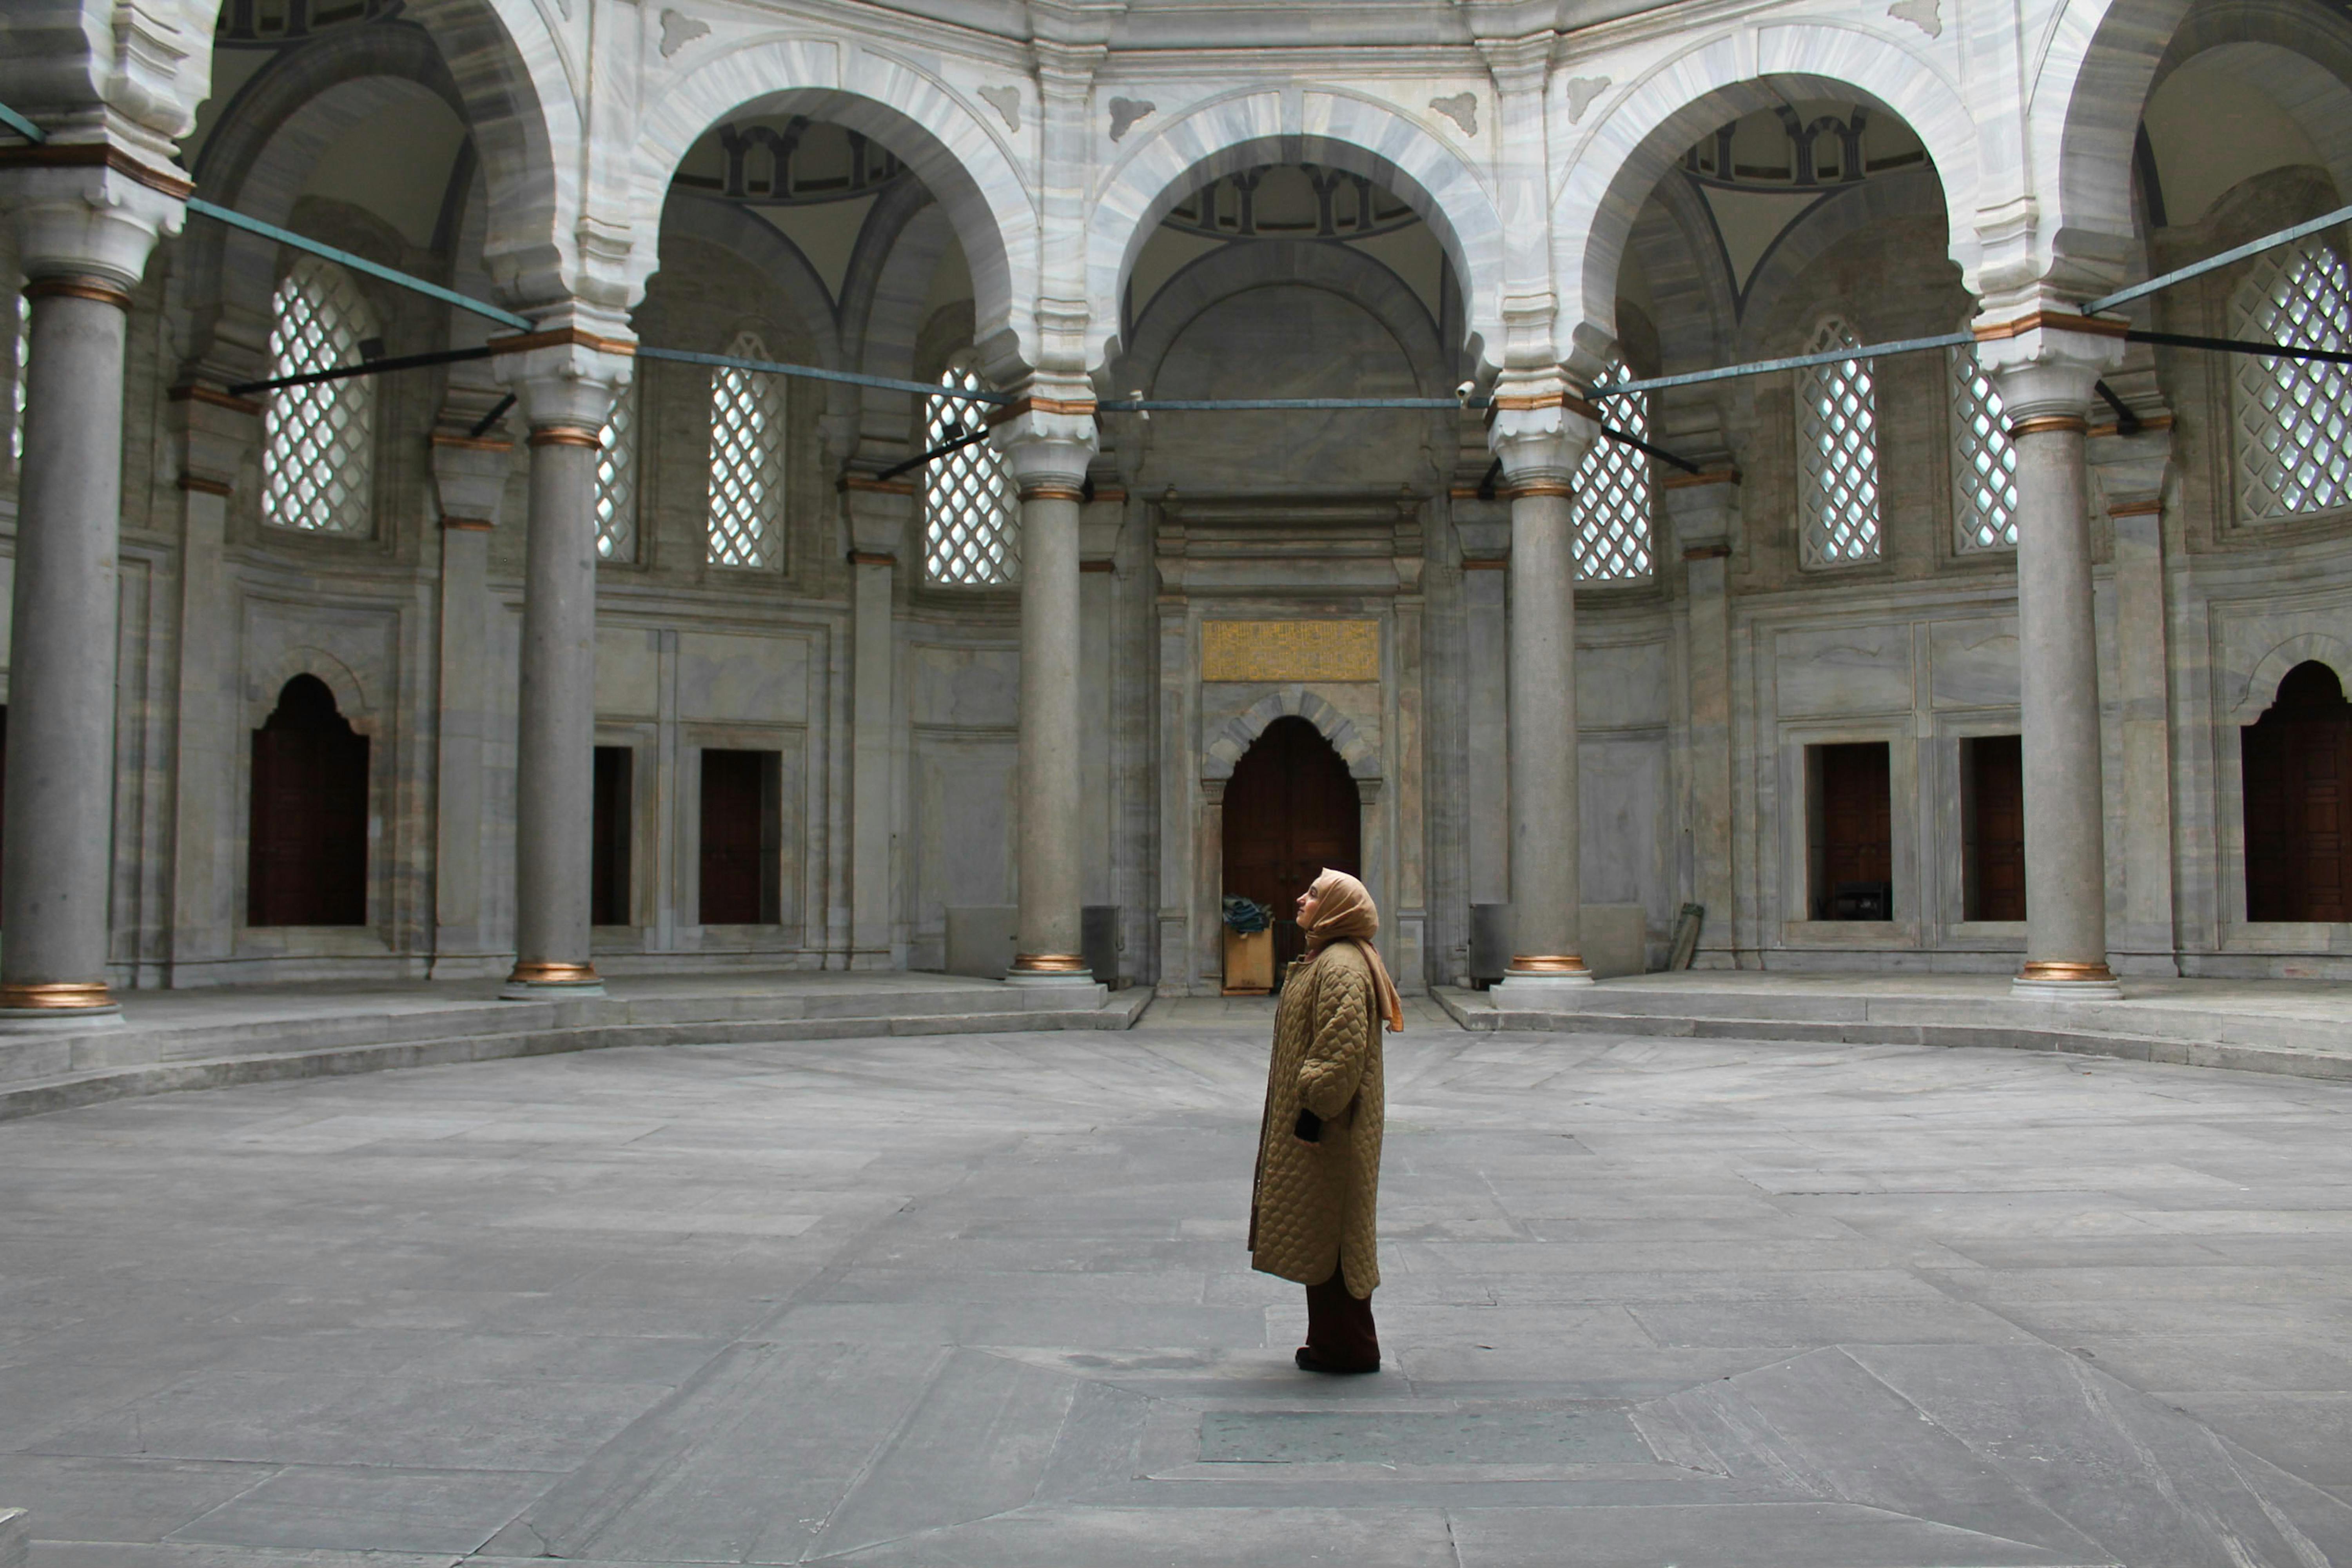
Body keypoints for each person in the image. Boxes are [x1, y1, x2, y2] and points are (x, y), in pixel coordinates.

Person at [1247, 867, 1405, 1373]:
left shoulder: (1340, 966)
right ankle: (1331, 1341)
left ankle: (1351, 1347)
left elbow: (1341, 1053)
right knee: (1324, 1232)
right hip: (1327, 1123)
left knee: (1336, 1237)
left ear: (1337, 909)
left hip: (1332, 1125)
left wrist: (1313, 1106)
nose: (1300, 898)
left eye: (1314, 895)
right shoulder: (1329, 959)